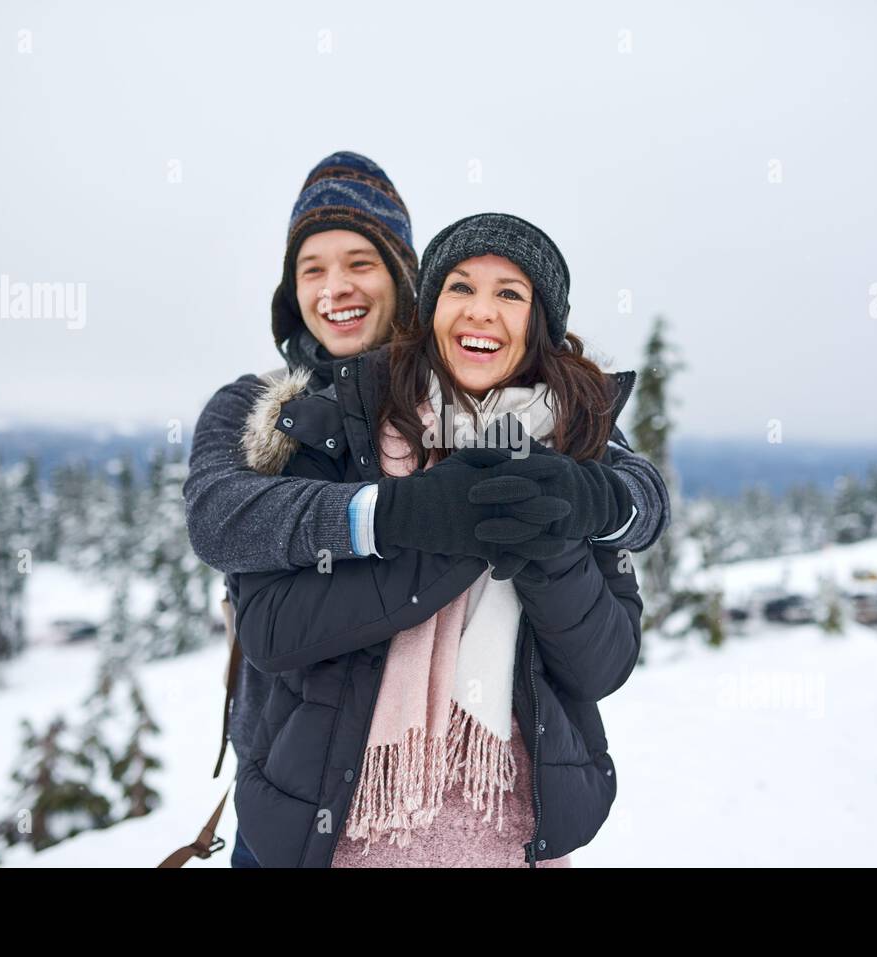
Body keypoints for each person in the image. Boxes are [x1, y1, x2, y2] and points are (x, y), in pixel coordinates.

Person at [179, 152, 671, 865]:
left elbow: (630, 488)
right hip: (295, 784)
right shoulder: (273, 407)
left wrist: (594, 501)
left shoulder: (537, 415)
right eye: (312, 268)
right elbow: (222, 517)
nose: (335, 287)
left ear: (406, 280)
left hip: (492, 810)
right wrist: (396, 514)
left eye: (360, 262)